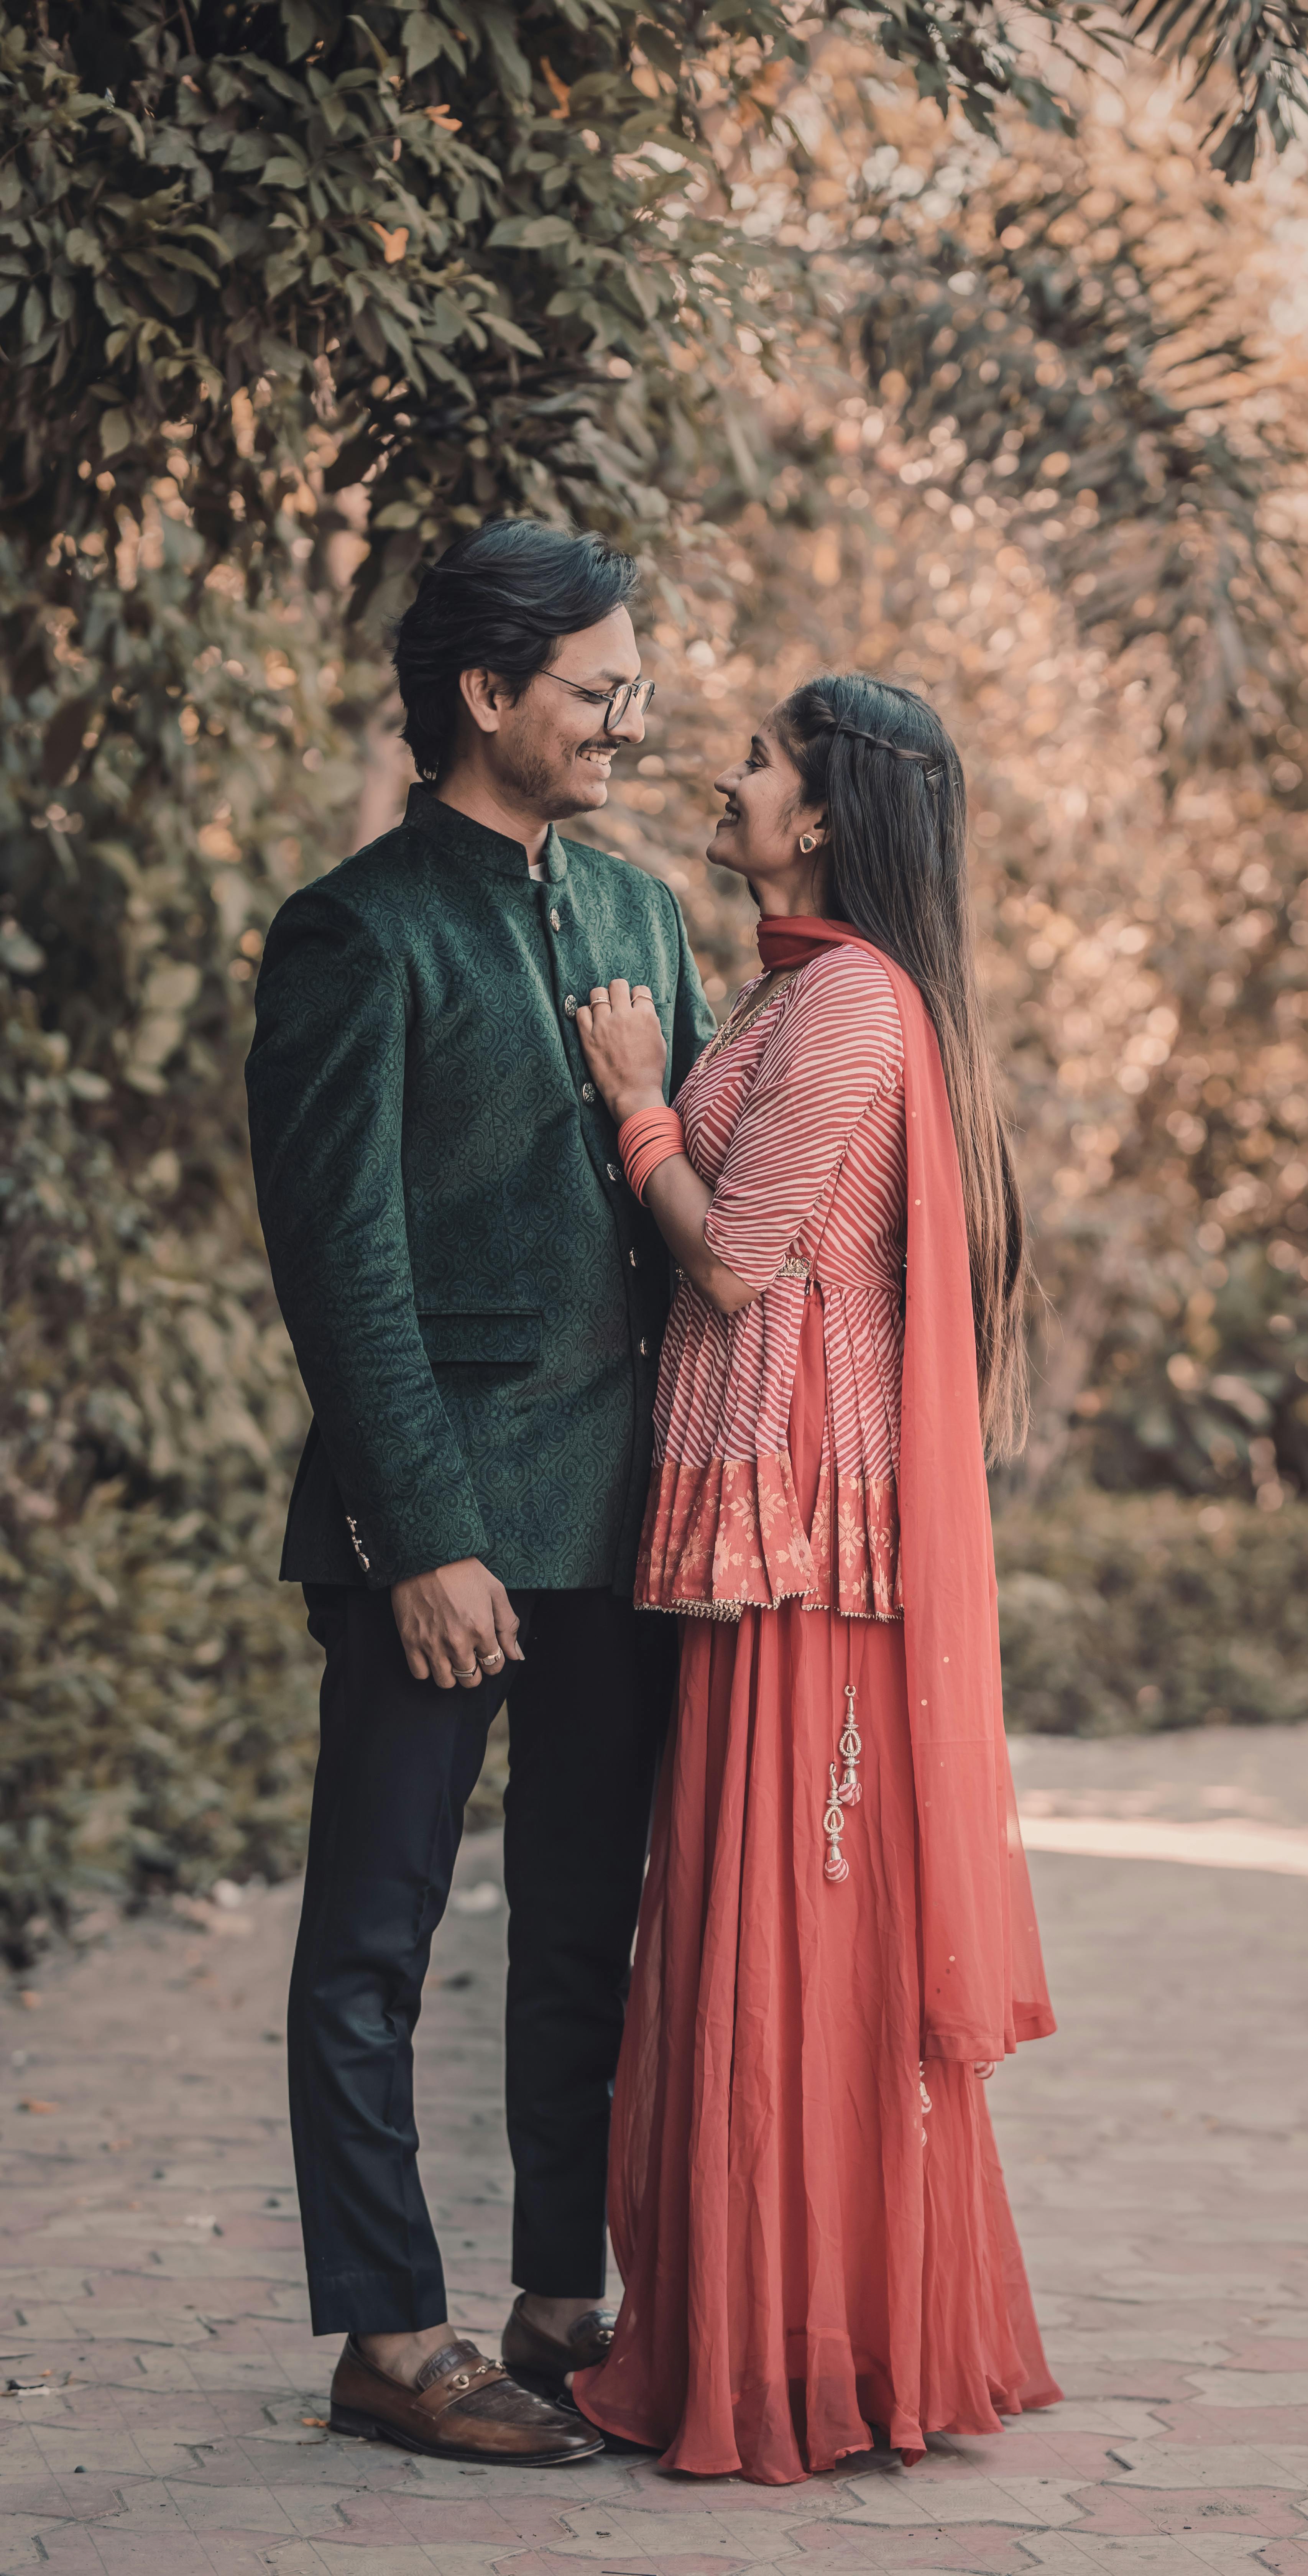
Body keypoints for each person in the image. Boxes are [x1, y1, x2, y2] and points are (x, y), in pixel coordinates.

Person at [245, 518, 713, 2466]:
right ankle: (386, 2330)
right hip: (437, 1530)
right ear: (486, 696)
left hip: (620, 1524)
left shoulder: (636, 917)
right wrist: (418, 1530)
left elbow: (681, 1208)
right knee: (373, 1935)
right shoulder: (356, 933)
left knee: (582, 1928)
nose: (630, 719)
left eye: (634, 688)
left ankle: (552, 2299)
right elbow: (337, 1262)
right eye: (597, 691)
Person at [570, 673, 1060, 2484]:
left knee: (790, 1948)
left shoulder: (850, 1006)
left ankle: (801, 2355)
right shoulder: (807, 988)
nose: (728, 768)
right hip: (760, 1543)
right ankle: (763, 2327)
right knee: (740, 1935)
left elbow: (733, 1261)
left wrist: (633, 1102)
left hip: (809, 1560)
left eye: (763, 756)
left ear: (832, 809)